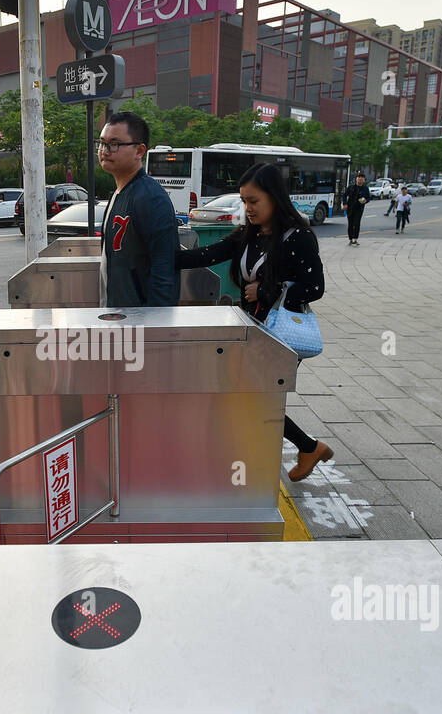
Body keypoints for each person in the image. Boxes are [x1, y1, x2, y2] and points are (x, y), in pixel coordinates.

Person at [176, 163, 332, 481]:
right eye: (244, 201)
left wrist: (265, 289)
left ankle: (265, 461)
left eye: (254, 201)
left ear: (274, 197)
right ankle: (304, 449)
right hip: (251, 327)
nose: (248, 208)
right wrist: (163, 254)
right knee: (252, 397)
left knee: (255, 398)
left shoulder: (297, 236)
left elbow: (315, 288)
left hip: (280, 332)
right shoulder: (250, 234)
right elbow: (208, 254)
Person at [96, 110, 180, 306]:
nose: (104, 150)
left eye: (114, 144)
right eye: (101, 143)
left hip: (142, 325)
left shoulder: (150, 197)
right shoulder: (120, 193)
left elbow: (164, 269)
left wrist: (156, 327)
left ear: (139, 151)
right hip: (119, 319)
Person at [342, 172, 369, 246]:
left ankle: (355, 239)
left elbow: (368, 198)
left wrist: (365, 201)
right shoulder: (351, 187)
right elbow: (344, 195)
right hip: (350, 208)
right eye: (359, 177)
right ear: (356, 179)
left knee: (357, 223)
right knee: (350, 223)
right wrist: (345, 204)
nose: (360, 179)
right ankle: (351, 239)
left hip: (359, 208)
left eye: (362, 178)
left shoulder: (365, 188)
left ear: (364, 180)